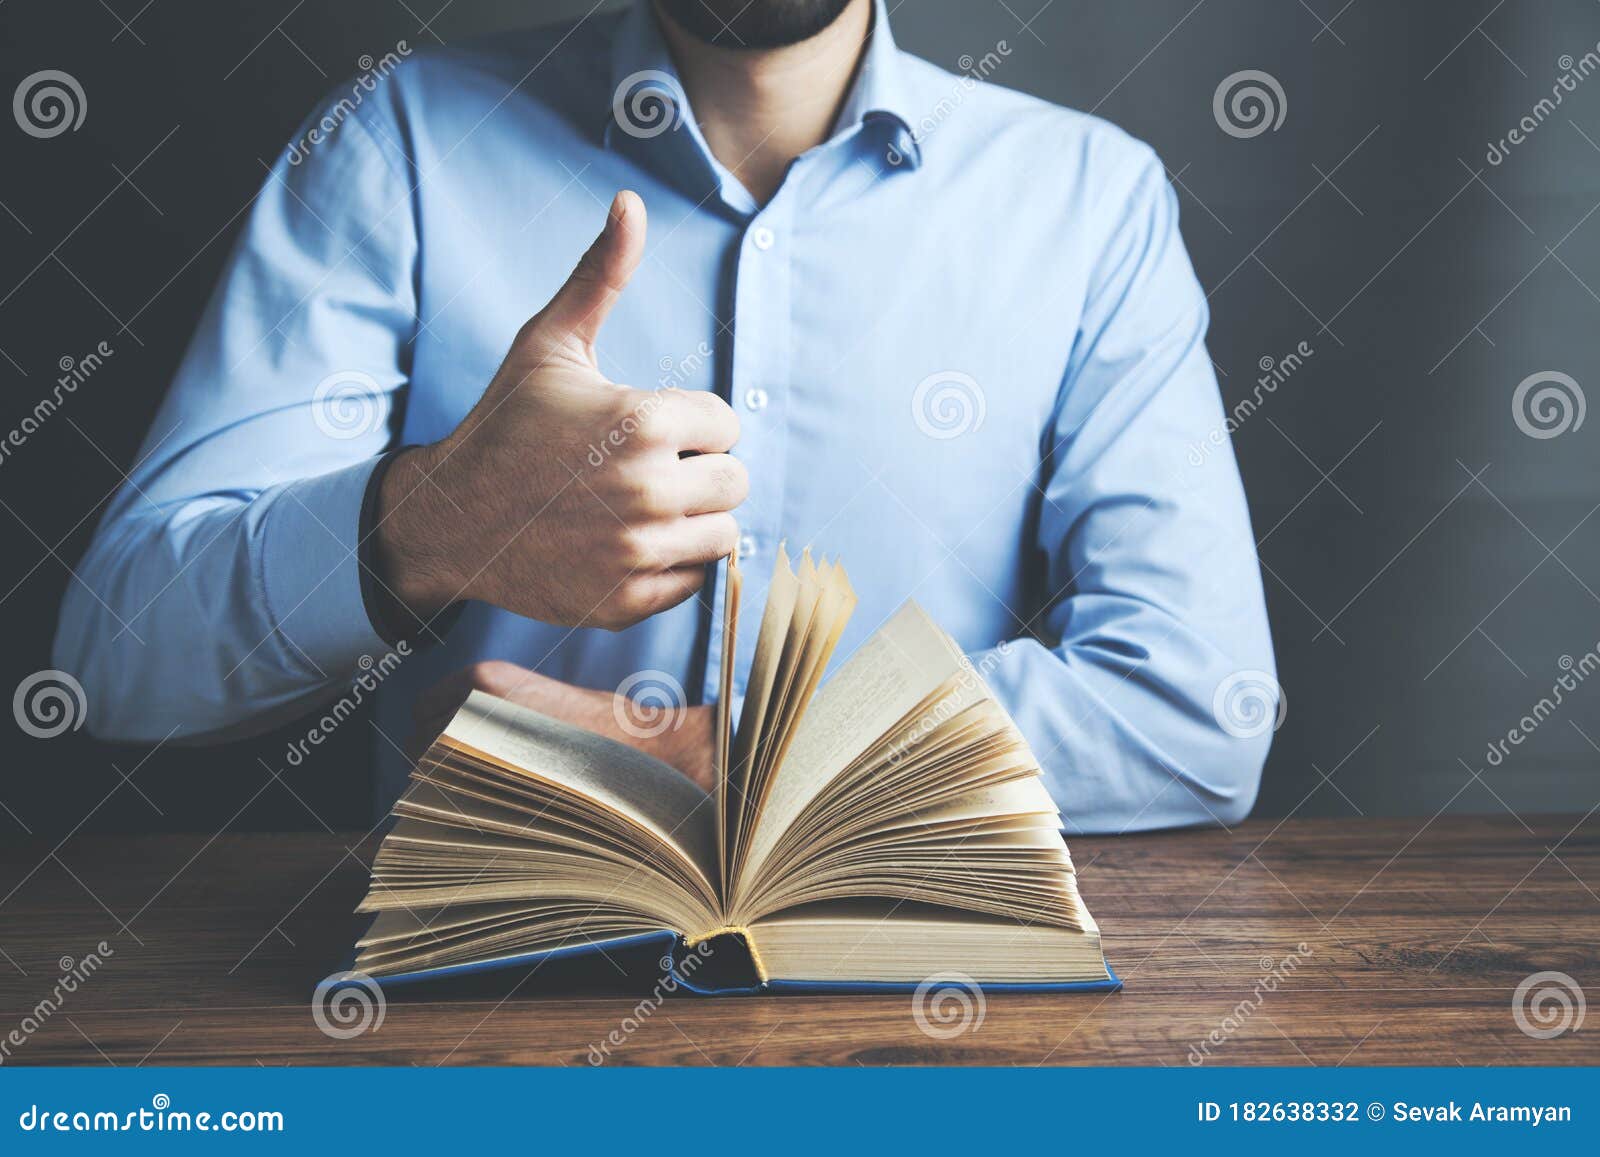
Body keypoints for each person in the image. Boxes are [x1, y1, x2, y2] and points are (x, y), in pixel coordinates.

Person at [54, 0, 1276, 831]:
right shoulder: (400, 142)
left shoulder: (1088, 199)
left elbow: (1194, 705)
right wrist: (432, 523)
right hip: (478, 1034)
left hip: (925, 1027)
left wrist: (705, 760)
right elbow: (120, 657)